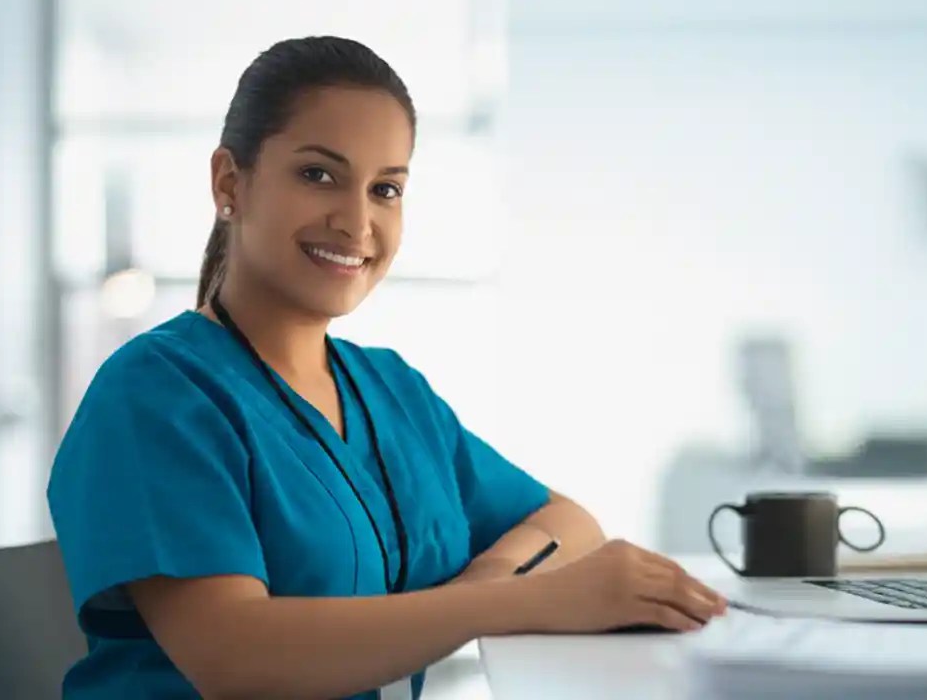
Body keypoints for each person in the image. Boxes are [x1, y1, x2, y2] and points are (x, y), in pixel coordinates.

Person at [46, 36, 727, 700]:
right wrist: (512, 603)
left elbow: (564, 520)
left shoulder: (390, 390)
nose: (356, 220)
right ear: (231, 182)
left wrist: (491, 579)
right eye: (319, 175)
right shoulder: (158, 394)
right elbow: (234, 655)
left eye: (386, 189)